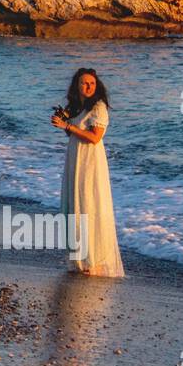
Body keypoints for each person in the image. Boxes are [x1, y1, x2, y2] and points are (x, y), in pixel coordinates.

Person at [51, 68, 124, 277]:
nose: (89, 87)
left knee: (89, 205)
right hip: (76, 159)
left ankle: (93, 259)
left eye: (92, 83)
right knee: (75, 205)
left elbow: (95, 137)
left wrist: (68, 126)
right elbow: (74, 133)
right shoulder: (77, 107)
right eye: (84, 83)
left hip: (91, 162)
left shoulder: (99, 107)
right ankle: (80, 258)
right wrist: (62, 123)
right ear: (77, 86)